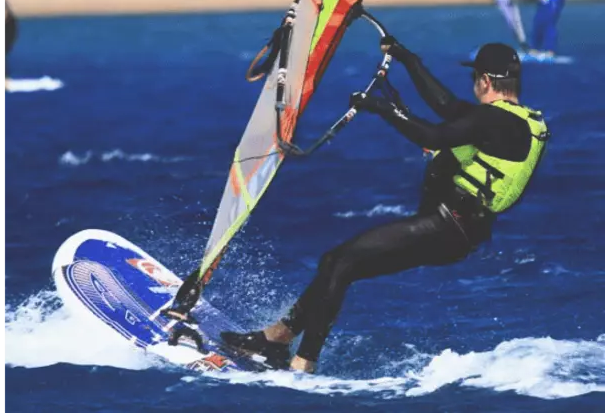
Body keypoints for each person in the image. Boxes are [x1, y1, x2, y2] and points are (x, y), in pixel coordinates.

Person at [219, 40, 549, 373]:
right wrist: (408, 59)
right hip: (457, 231)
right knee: (341, 267)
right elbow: (446, 104)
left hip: (446, 226)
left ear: (485, 81)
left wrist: (381, 108)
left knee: (339, 260)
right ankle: (278, 337)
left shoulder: (495, 121)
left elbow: (434, 137)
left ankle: (302, 364)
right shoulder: (516, 121)